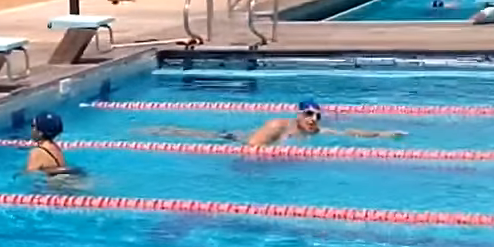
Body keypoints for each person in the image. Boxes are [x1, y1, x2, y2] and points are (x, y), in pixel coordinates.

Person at [142, 101, 407, 145]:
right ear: (298, 115)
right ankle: (160, 130)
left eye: (317, 115)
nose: (313, 119)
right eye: (308, 114)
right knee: (197, 135)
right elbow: (254, 145)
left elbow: (350, 132)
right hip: (235, 140)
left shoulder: (316, 132)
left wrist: (382, 134)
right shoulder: (278, 126)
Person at [24, 111, 78, 176]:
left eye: (33, 126)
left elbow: (30, 177)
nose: (31, 129)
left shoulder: (37, 152)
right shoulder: (55, 148)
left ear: (40, 132)